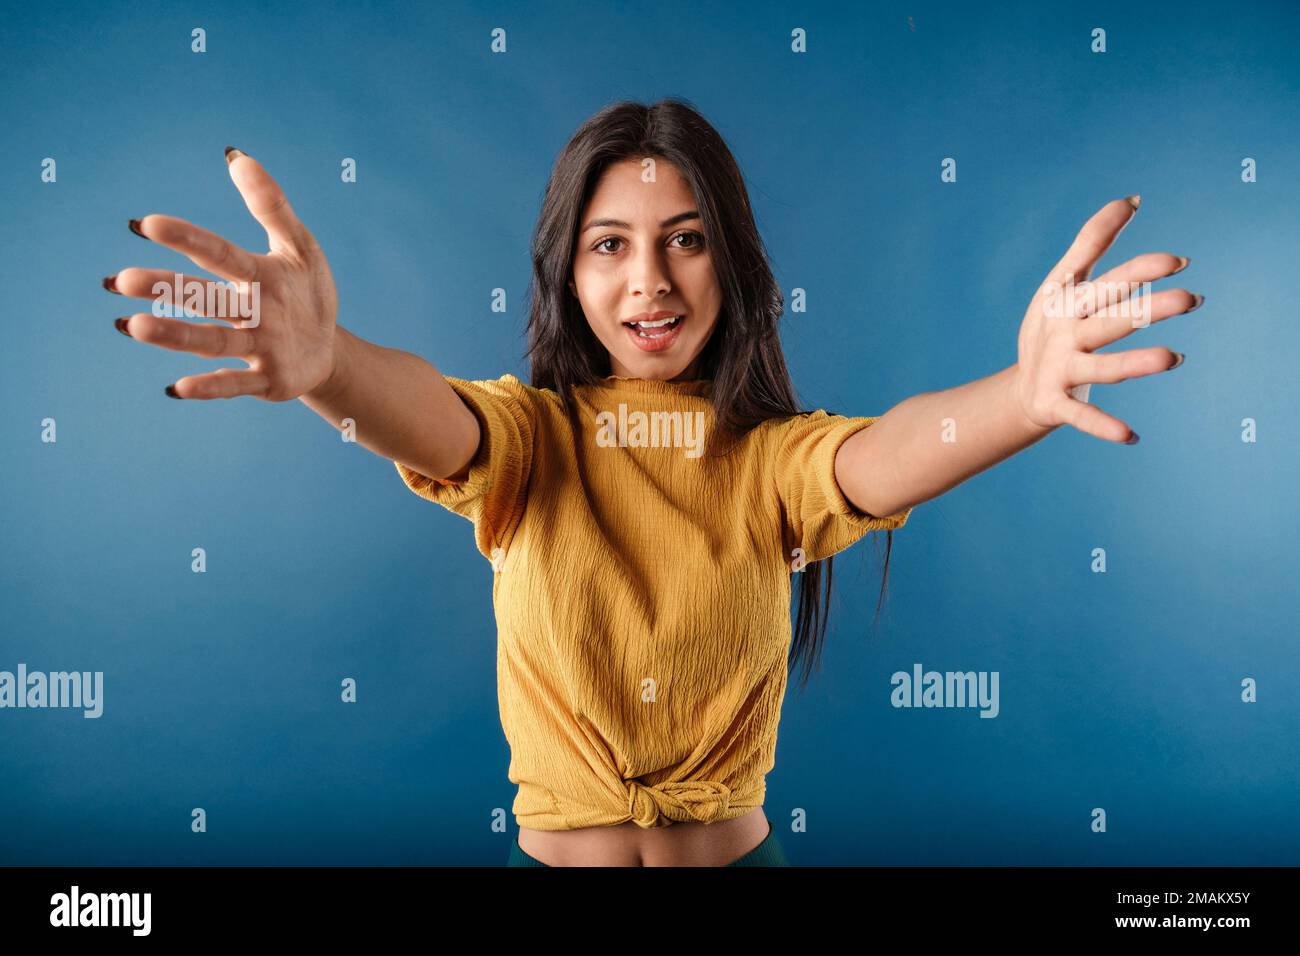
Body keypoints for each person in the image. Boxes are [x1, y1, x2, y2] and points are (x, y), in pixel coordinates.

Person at [104, 99, 1201, 867]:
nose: (648, 281)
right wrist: (331, 364)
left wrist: (1021, 391)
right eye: (607, 245)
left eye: (685, 240)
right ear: (564, 270)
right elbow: (432, 415)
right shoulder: (530, 441)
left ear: (732, 262)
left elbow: (882, 455)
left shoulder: (770, 462)